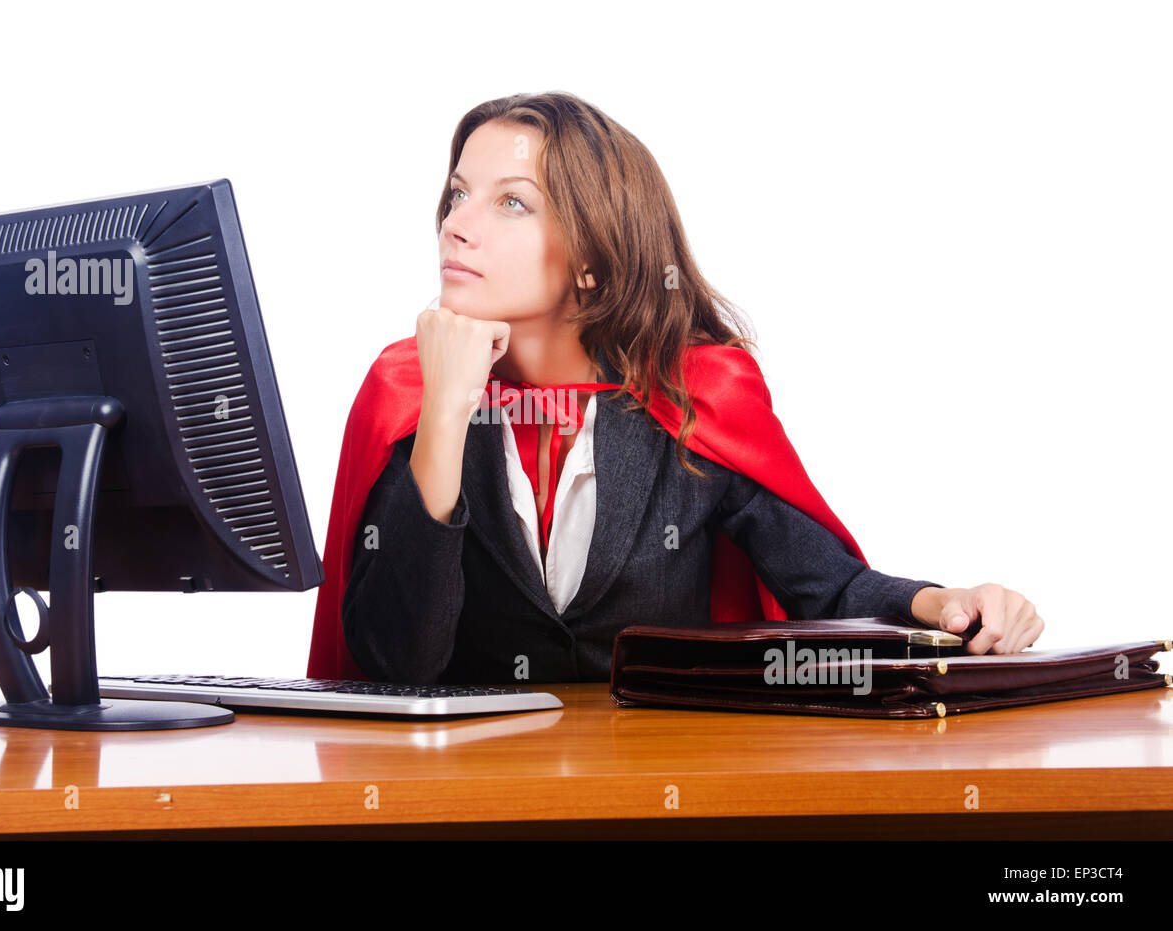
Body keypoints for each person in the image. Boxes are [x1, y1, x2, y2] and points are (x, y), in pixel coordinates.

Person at [309, 91, 1043, 684]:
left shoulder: (696, 396)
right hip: (469, 803)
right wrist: (444, 412)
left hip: (663, 793)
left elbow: (827, 588)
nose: (455, 226)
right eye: (457, 193)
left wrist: (946, 603)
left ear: (593, 260)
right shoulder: (409, 393)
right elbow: (395, 664)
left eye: (511, 203)